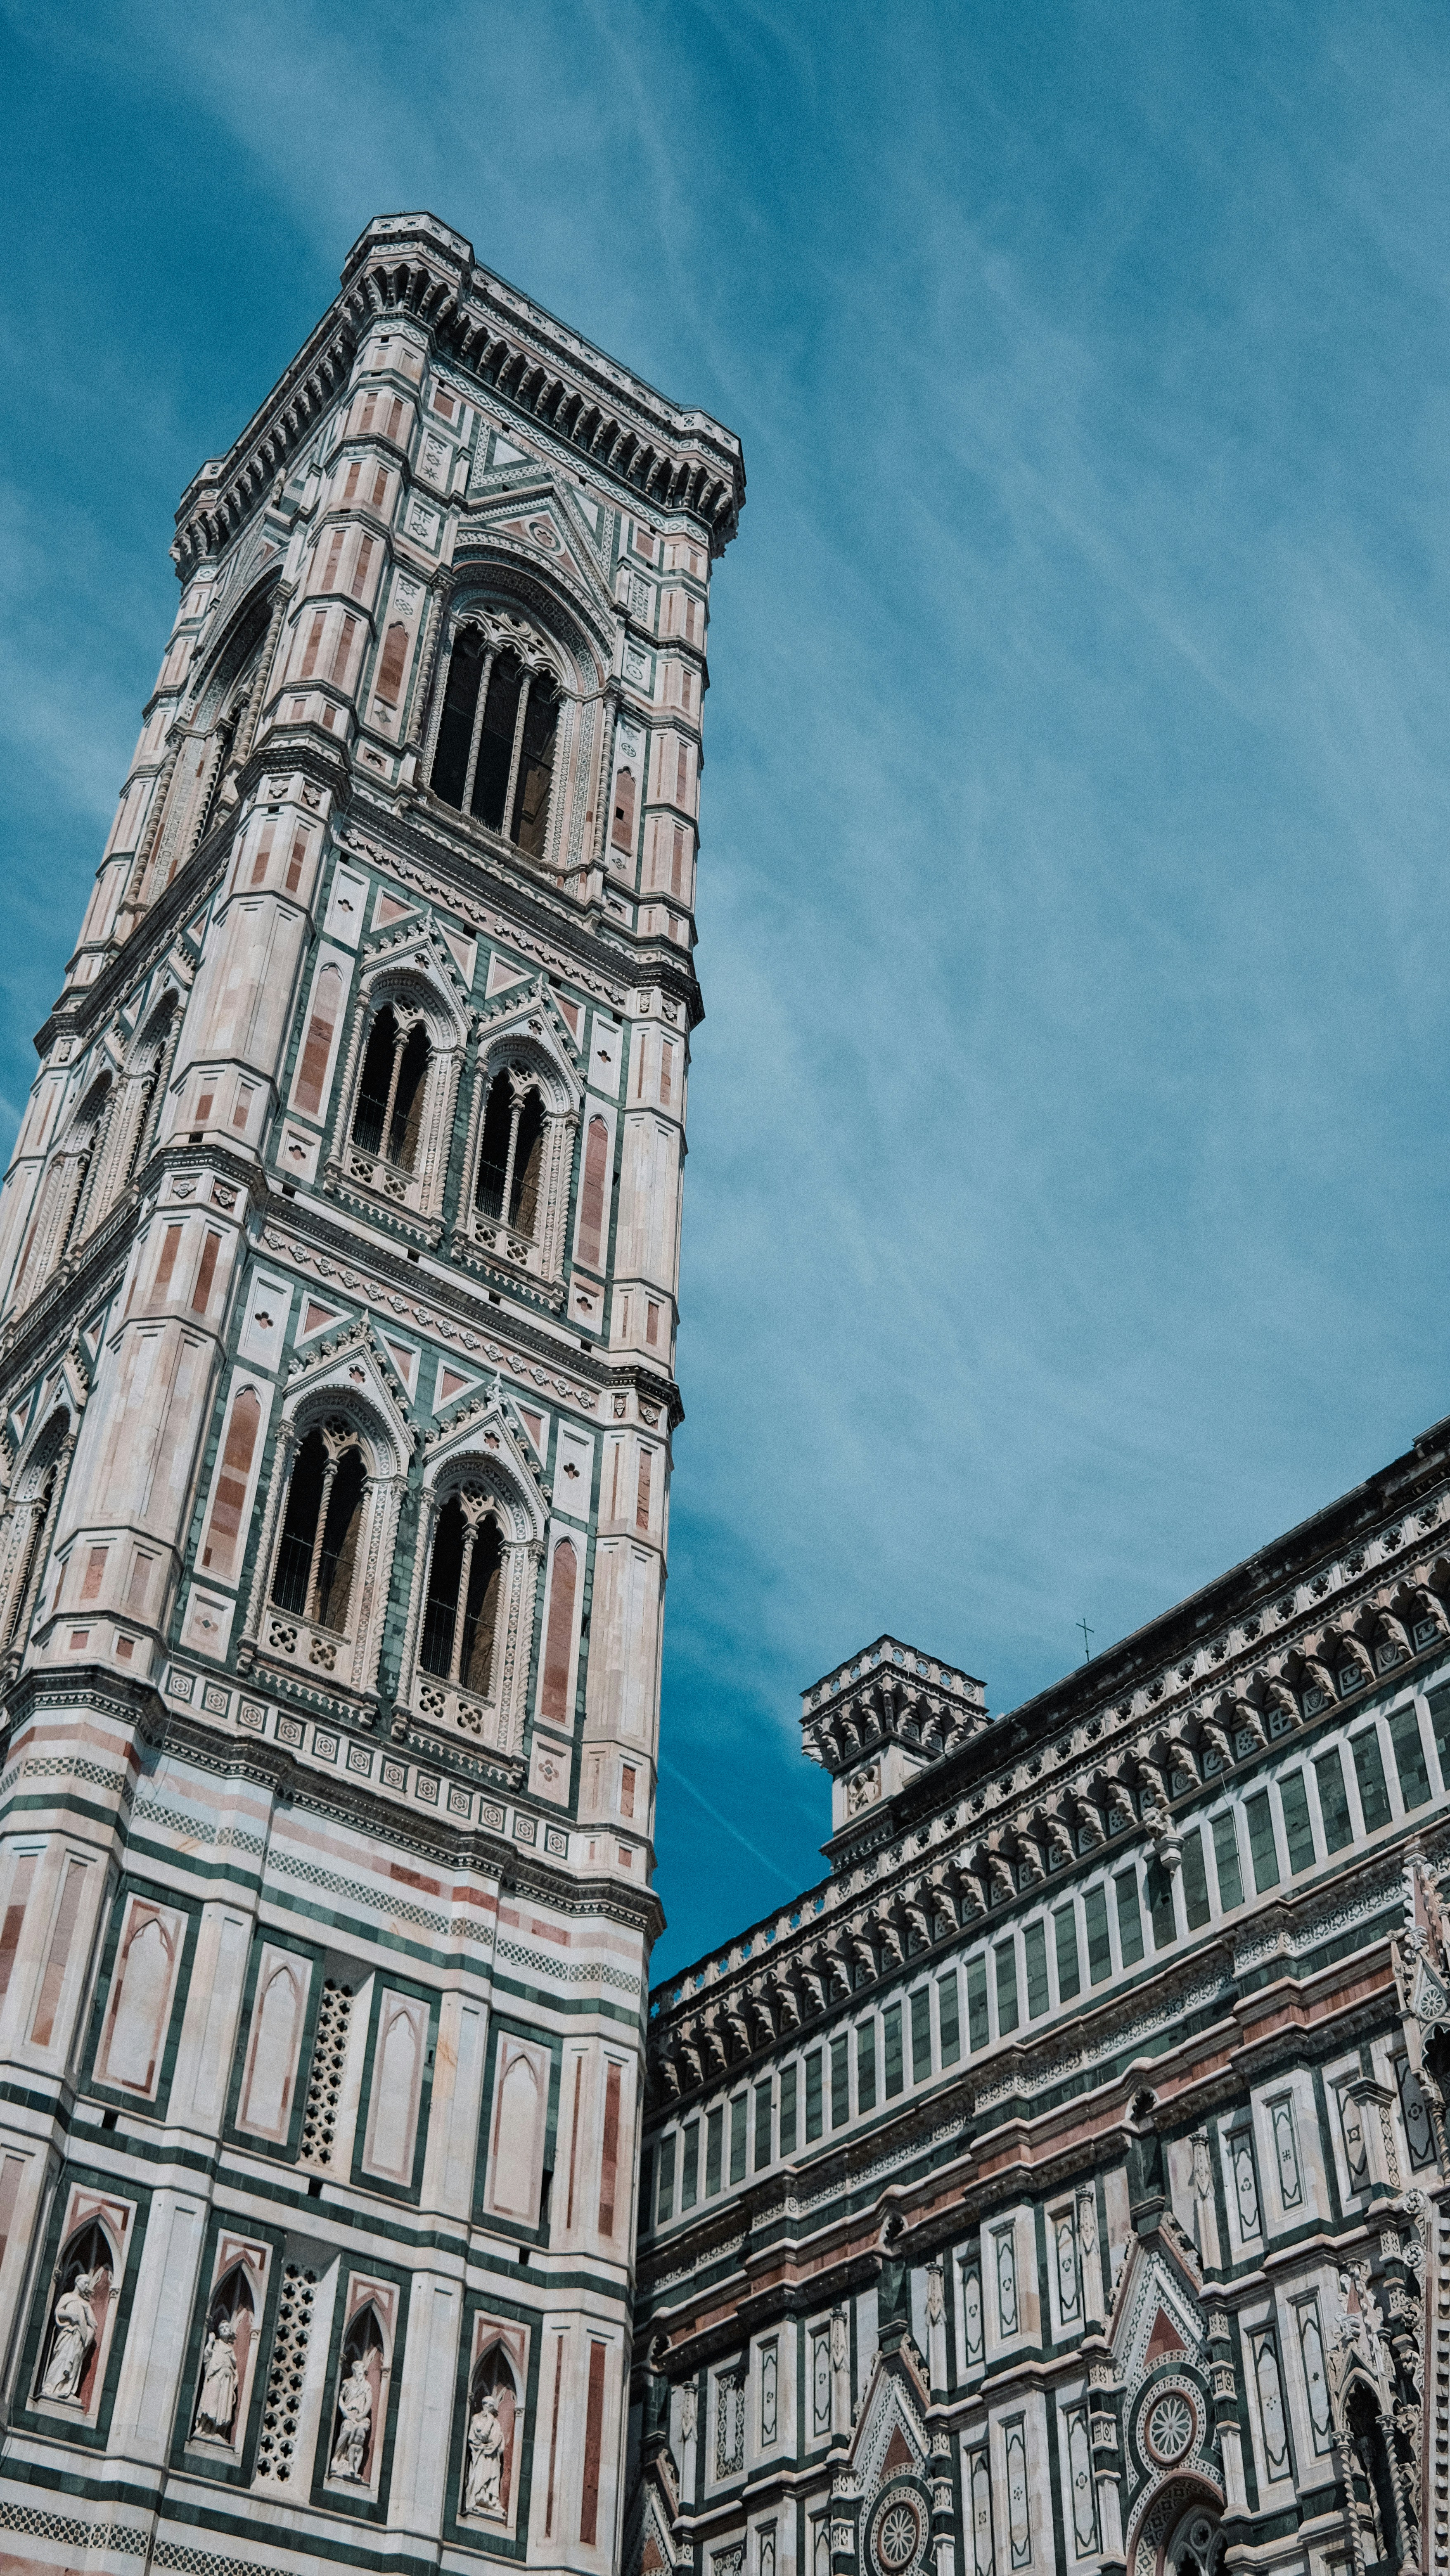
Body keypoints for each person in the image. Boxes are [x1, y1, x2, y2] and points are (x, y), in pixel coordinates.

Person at [41, 2273, 96, 2403]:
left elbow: (93, 2324)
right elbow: (58, 2311)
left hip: (79, 2338)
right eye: (85, 2283)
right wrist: (71, 2316)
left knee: (75, 2363)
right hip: (68, 2334)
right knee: (60, 2359)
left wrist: (88, 2335)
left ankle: (67, 2390)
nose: (86, 2286)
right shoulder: (68, 2297)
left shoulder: (85, 2304)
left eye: (88, 2284)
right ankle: (50, 2387)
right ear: (77, 2282)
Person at [194, 2313, 239, 2438]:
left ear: (230, 2332)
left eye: (227, 2328)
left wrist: (233, 2379)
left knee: (222, 2408)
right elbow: (207, 2358)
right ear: (219, 2331)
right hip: (216, 2378)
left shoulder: (231, 2350)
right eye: (223, 2328)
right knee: (210, 2403)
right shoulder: (216, 2344)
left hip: (227, 2382)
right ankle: (201, 2428)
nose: (225, 2329)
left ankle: (215, 2432)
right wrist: (210, 2342)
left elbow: (235, 2370)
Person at [330, 2357, 373, 2480]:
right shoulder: (347, 2382)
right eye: (361, 2370)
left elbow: (369, 2402)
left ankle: (352, 2465)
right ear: (355, 2370)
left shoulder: (367, 2386)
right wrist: (345, 2412)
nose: (363, 2372)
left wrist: (363, 2415)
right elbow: (340, 2398)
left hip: (360, 2416)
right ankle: (337, 2458)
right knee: (347, 2430)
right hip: (349, 2414)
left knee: (359, 2437)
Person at [466, 2391, 507, 2514]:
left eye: (492, 2406)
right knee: (480, 2477)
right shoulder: (476, 2418)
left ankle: (491, 2500)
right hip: (480, 2455)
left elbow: (498, 2440)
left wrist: (494, 2445)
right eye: (488, 2405)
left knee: (493, 2476)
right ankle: (478, 2497)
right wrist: (489, 2421)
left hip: (492, 2456)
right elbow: (481, 2435)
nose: (489, 2408)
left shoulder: (496, 2422)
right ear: (483, 2405)